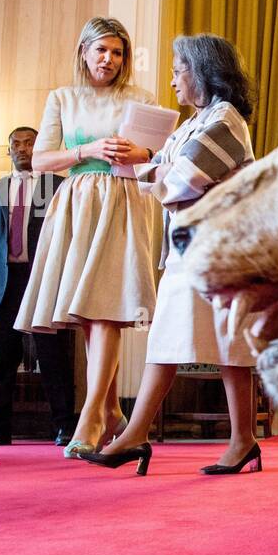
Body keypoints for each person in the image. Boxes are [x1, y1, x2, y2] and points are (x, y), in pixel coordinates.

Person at [82, 34, 260, 476]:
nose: (173, 80)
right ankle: (231, 441)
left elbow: (177, 181)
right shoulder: (196, 121)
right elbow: (159, 171)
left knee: (212, 343)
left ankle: (146, 436)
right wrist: (152, 167)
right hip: (193, 247)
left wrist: (155, 169)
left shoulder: (226, 121)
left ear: (202, 73)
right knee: (207, 343)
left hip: (217, 249)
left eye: (179, 71)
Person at [14, 17, 162, 458]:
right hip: (77, 201)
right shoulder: (62, 97)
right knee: (87, 311)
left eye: (117, 52)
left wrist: (146, 153)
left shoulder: (141, 98)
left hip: (124, 200)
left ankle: (92, 413)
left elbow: (159, 156)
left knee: (108, 309)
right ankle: (113, 410)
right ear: (84, 52)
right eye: (100, 50)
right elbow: (39, 160)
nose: (109, 60)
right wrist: (86, 151)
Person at [0, 126, 75, 447]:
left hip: (44, 280)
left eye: (30, 143)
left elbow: (71, 238)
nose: (23, 149)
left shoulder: (60, 186)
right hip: (3, 282)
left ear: (40, 149)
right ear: (8, 150)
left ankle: (64, 427)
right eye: (16, 144)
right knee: (1, 360)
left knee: (52, 357)